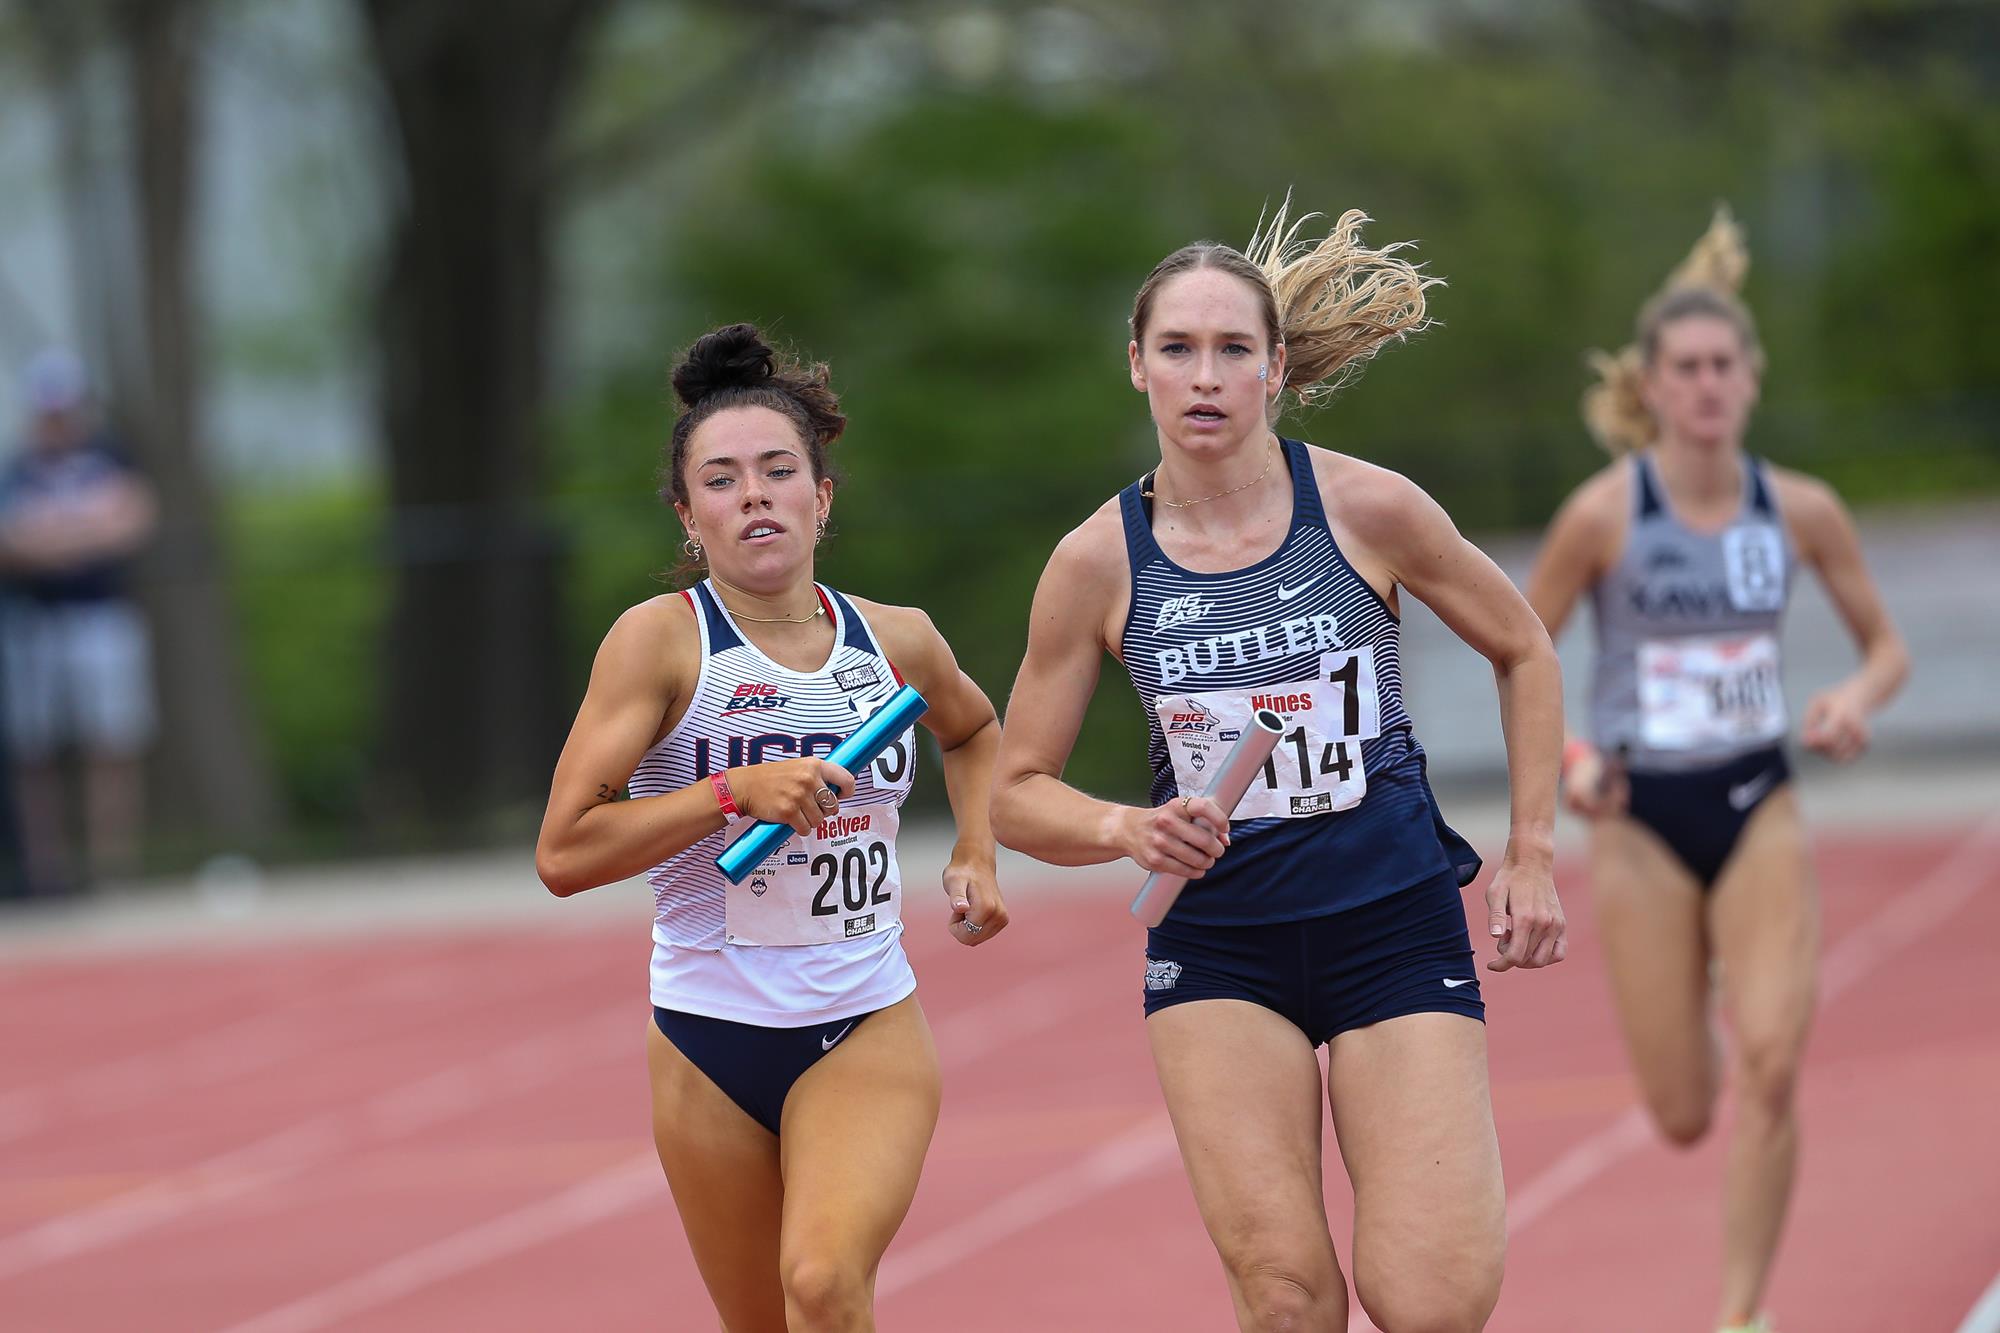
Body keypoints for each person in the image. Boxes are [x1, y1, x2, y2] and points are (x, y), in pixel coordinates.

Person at [989, 202, 1567, 1332]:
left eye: (1230, 350)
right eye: (1176, 350)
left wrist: (1530, 851)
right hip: (1219, 948)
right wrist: (1123, 829)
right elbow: (1015, 793)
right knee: (1287, 1296)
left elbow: (1523, 646)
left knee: (1430, 1299)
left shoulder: (1362, 508)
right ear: (1136, 366)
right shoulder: (1095, 562)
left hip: (1390, 924)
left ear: (1274, 367)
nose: (1203, 377)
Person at [535, 323, 1008, 1333]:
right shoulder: (659, 645)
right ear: (686, 513)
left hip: (863, 1021)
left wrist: (974, 847)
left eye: (776, 470)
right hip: (707, 1039)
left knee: (823, 1285)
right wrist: (726, 793)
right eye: (720, 479)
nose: (752, 494)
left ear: (820, 497)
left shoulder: (899, 639)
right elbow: (565, 852)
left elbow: (972, 731)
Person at [1522, 210, 1910, 1333]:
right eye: (1681, 368)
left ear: (1750, 378)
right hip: (1639, 817)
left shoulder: (1797, 510)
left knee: (1775, 1066)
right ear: (1649, 386)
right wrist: (1579, 759)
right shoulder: (1600, 518)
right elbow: (1522, 659)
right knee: (1685, 1111)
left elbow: (1884, 647)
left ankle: (1739, 1316)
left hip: (1756, 795)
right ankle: (1685, 980)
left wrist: (1849, 696)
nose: (1702, 385)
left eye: (1719, 366)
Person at [0, 348, 158, 893]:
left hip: (100, 618)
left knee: (109, 746)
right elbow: (10, 545)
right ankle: (47, 875)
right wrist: (82, 532)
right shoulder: (17, 470)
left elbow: (130, 524)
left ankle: (112, 871)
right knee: (35, 753)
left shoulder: (112, 459)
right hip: (35, 624)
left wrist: (49, 536)